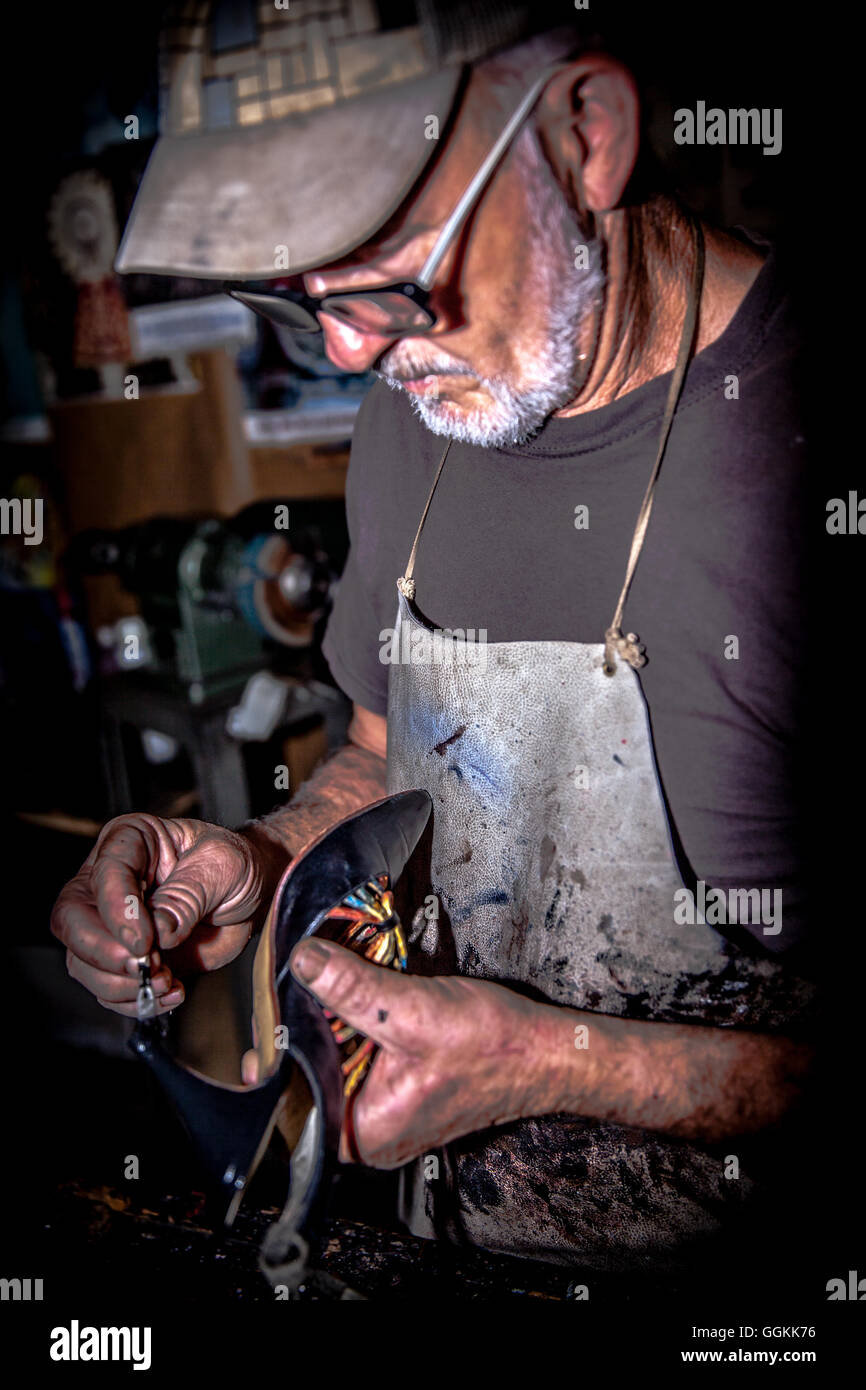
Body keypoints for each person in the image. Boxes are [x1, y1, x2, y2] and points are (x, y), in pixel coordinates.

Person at [51, 3, 814, 1270]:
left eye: (385, 267)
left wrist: (551, 1064)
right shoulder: (421, 407)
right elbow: (384, 761)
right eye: (300, 294)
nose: (351, 348)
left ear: (585, 135)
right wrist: (257, 862)